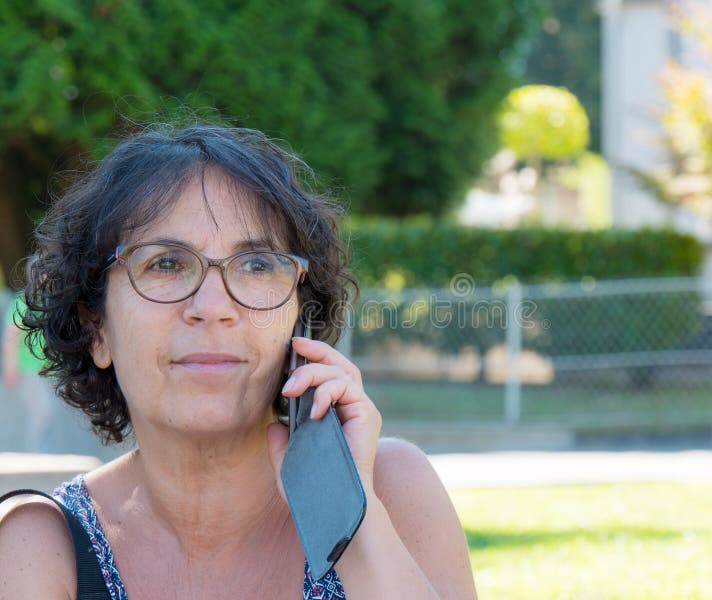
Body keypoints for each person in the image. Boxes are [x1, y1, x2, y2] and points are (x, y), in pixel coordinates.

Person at [0, 124, 477, 599]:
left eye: (256, 266)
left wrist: (351, 509)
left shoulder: (393, 492)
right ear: (95, 329)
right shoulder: (37, 546)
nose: (213, 306)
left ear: (299, 323)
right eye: (165, 263)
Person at [2, 289, 56, 452]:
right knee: (42, 411)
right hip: (28, 369)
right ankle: (37, 451)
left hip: (44, 370)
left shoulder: (48, 301)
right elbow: (11, 336)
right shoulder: (22, 301)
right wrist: (9, 367)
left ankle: (38, 450)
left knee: (43, 412)